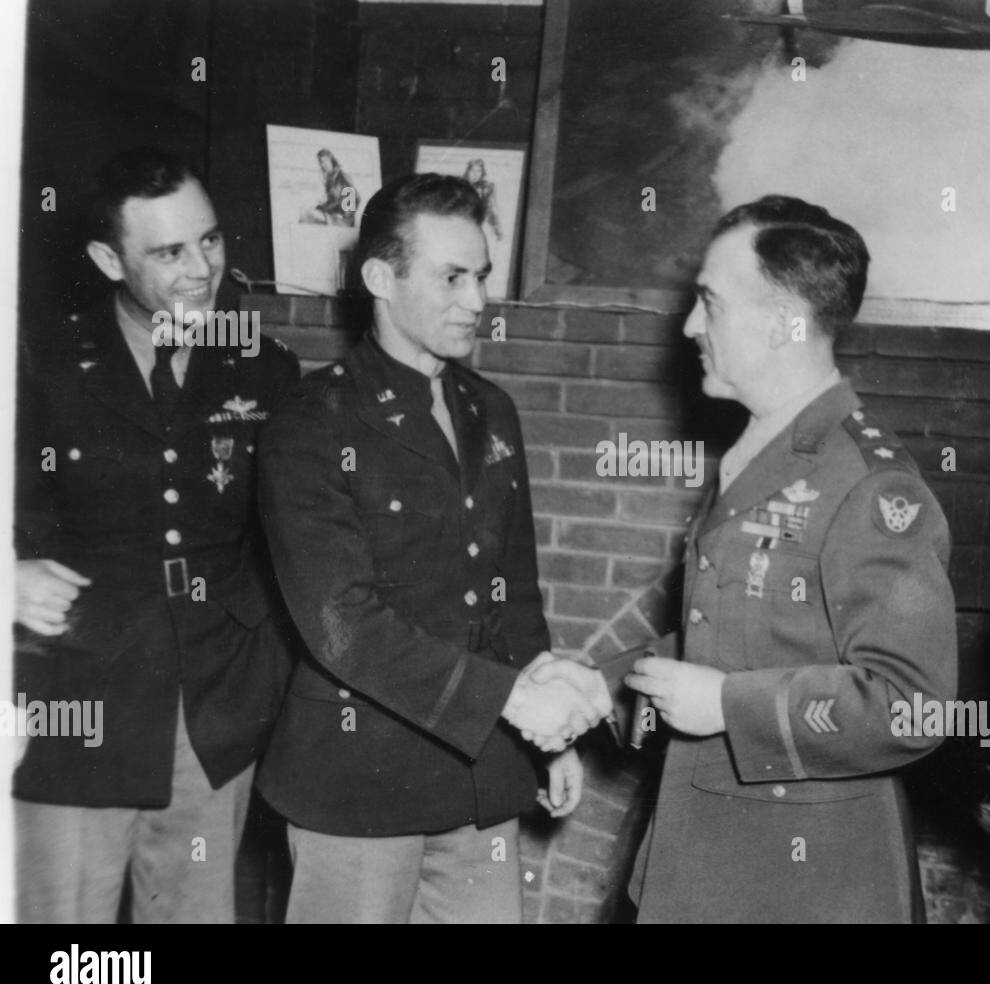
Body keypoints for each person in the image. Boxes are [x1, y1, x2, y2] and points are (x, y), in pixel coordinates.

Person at [256, 172, 612, 924]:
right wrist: (516, 702)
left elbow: (514, 594)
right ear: (380, 279)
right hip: (358, 782)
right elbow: (343, 626)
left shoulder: (492, 411)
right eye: (452, 277)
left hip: (480, 776)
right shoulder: (313, 420)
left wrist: (545, 739)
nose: (477, 301)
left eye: (481, 275)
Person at [624, 195, 959, 923]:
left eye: (710, 302)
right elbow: (740, 638)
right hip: (706, 855)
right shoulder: (761, 450)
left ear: (783, 322)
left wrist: (725, 704)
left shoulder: (869, 483)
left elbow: (914, 705)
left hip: (804, 887)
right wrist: (601, 683)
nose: (689, 326)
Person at [12, 147, 300, 923]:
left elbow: (294, 533)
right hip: (78, 699)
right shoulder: (38, 359)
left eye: (210, 240)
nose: (201, 270)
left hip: (213, 709)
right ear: (109, 260)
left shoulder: (263, 368)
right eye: (169, 252)